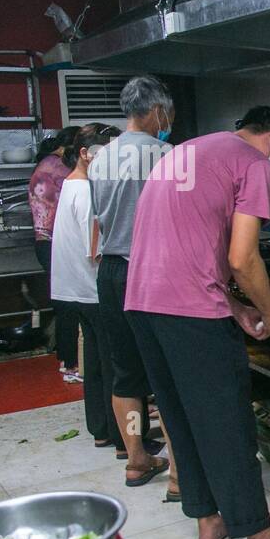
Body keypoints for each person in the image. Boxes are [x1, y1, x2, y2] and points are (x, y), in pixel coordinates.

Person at [125, 105, 270, 539]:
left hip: (142, 302)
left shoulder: (190, 150)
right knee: (227, 421)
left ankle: (210, 521)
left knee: (181, 416)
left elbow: (187, 243)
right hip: (188, 310)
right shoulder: (255, 162)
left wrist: (234, 308)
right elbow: (242, 258)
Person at [88, 75, 177, 493]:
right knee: (168, 374)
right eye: (168, 113)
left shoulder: (100, 157)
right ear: (156, 110)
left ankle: (138, 461)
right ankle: (180, 476)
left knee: (124, 373)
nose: (169, 119)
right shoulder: (167, 154)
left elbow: (99, 217)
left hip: (111, 272)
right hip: (152, 271)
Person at [49, 123, 122, 451]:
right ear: (84, 154)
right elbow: (96, 249)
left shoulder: (70, 184)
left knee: (94, 362)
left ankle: (102, 429)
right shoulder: (88, 190)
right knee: (114, 365)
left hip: (71, 289)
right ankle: (125, 438)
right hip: (92, 288)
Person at [29, 127, 81, 381]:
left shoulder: (48, 164)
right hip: (55, 243)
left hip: (46, 243)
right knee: (70, 304)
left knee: (65, 303)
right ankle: (71, 363)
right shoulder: (59, 170)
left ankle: (67, 359)